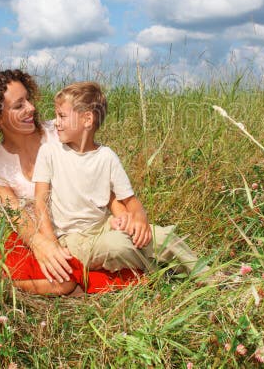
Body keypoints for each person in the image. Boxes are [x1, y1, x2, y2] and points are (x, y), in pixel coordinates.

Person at [0, 69, 138, 295]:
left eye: (28, 99)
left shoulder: (58, 132)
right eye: (19, 105)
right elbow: (17, 217)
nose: (31, 108)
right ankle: (9, 285)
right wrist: (44, 246)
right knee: (63, 280)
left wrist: (122, 215)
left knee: (123, 256)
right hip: (34, 234)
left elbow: (101, 185)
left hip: (81, 229)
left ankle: (81, 279)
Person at [32, 81, 202, 281]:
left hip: (104, 226)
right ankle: (162, 275)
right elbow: (40, 201)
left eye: (62, 116)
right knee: (118, 246)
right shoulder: (49, 152)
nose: (56, 122)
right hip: (72, 237)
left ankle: (210, 276)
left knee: (163, 237)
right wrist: (51, 242)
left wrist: (140, 219)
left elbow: (130, 201)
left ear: (87, 119)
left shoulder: (107, 156)